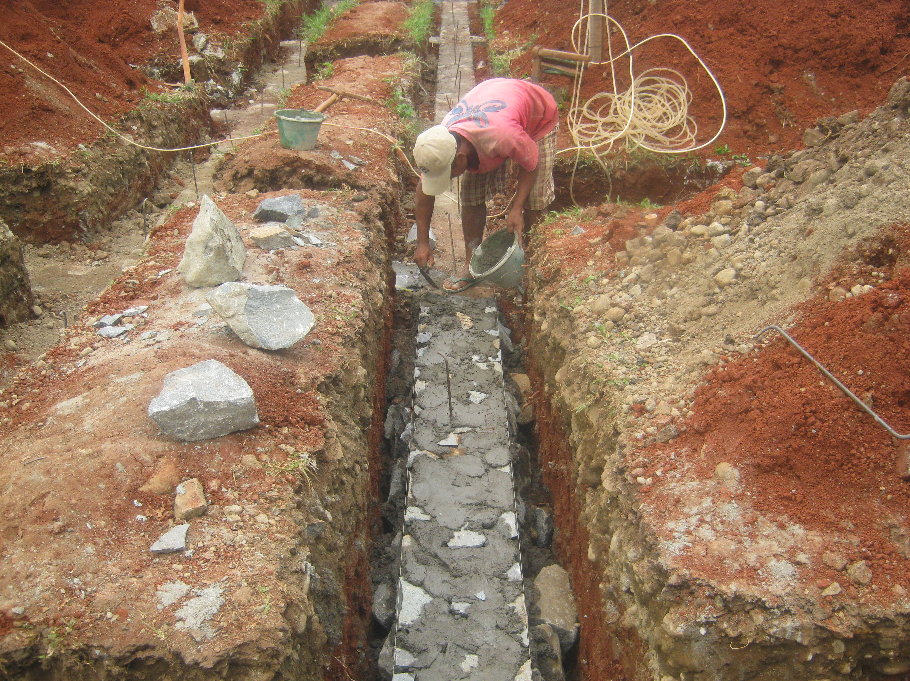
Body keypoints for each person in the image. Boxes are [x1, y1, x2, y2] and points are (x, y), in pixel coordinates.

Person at [412, 77, 559, 291]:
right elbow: (424, 193)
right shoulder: (440, 144)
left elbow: (531, 164)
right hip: (498, 104)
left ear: (461, 159)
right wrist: (423, 242)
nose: (449, 180)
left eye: (449, 175)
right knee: (471, 195)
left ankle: (532, 265)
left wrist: (517, 208)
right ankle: (472, 266)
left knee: (535, 200)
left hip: (537, 117)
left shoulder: (502, 136)